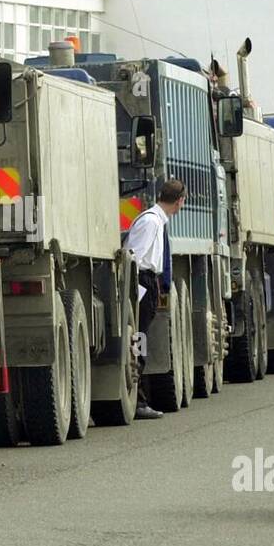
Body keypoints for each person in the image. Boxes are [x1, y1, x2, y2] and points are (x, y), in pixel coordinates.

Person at [122, 178, 187, 420]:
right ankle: (138, 401)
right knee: (138, 341)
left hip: (148, 283)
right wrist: (139, 293)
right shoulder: (151, 221)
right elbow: (134, 258)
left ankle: (139, 398)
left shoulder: (156, 220)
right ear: (179, 200)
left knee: (140, 341)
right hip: (143, 283)